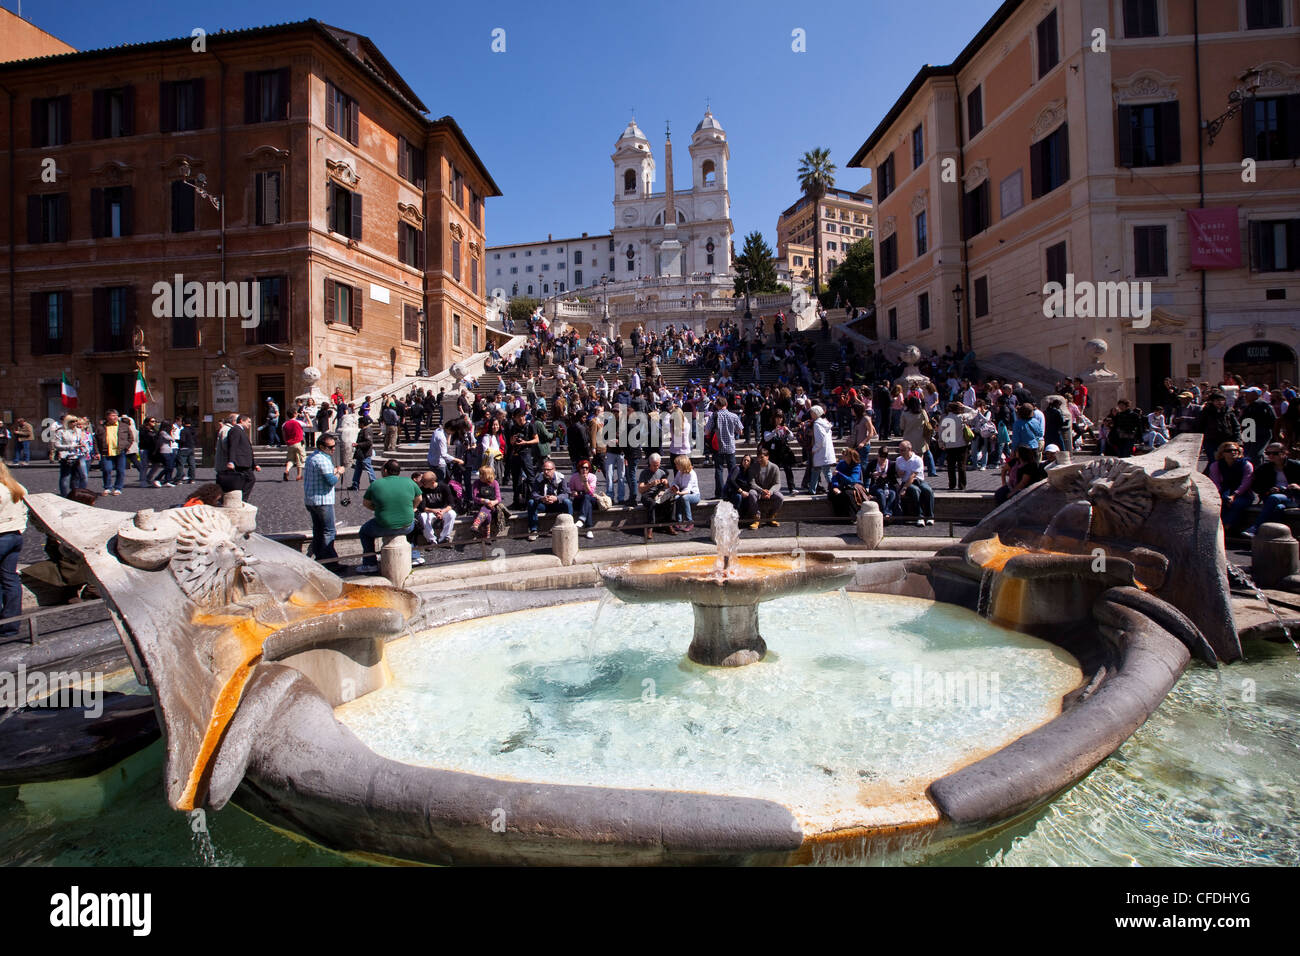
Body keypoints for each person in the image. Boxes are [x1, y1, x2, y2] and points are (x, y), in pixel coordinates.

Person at [356, 459, 423, 573]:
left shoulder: (376, 484)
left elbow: (366, 503)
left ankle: (370, 563)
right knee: (410, 525)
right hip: (407, 525)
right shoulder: (409, 482)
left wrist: (379, 508)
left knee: (364, 532)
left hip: (384, 526)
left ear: (385, 471)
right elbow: (419, 498)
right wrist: (411, 508)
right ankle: (415, 555)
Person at [303, 434, 345, 566]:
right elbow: (331, 481)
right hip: (322, 501)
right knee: (329, 531)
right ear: (321, 447)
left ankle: (320, 558)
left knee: (318, 530)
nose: (333, 449)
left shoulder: (311, 457)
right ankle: (330, 562)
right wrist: (339, 472)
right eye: (330, 447)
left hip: (311, 499)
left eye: (334, 446)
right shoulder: (322, 460)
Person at [1243, 443, 1300, 537]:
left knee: (1274, 498)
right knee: (1278, 508)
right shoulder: (1265, 468)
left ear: (1284, 453)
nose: (1271, 456)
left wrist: (1298, 487)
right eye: (1268, 453)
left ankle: (1255, 527)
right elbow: (1256, 485)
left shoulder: (1296, 465)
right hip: (1272, 497)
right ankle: (1276, 535)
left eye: (1275, 453)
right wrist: (1268, 489)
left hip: (1294, 497)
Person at [0, 461, 27, 640]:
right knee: (9, 579)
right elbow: (25, 511)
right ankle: (10, 625)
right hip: (15, 536)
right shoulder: (16, 486)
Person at [1207, 442, 1255, 534]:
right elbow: (1215, 482)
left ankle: (1225, 527)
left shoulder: (1246, 464)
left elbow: (1246, 482)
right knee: (1222, 503)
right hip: (1224, 491)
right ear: (1222, 453)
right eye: (1229, 450)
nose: (1233, 452)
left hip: (1243, 493)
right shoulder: (1215, 465)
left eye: (1235, 450)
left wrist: (1234, 495)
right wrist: (1222, 495)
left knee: (1237, 504)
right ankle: (1223, 527)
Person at [526, 458, 572, 542]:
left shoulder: (561, 478)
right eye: (544, 470)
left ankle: (569, 528)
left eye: (548, 470)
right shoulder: (539, 478)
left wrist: (556, 498)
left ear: (554, 469)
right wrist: (542, 498)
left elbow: (567, 493)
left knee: (567, 502)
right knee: (531, 502)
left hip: (557, 504)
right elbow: (533, 493)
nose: (546, 472)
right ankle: (533, 530)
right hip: (544, 504)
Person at [707, 397, 743, 498]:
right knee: (732, 470)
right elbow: (740, 431)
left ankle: (720, 493)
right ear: (726, 404)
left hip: (718, 446)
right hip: (730, 447)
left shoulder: (714, 416)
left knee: (719, 470)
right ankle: (733, 491)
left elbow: (707, 431)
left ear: (717, 405)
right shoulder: (734, 416)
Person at [218, 414, 259, 500]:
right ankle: (242, 499)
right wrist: (231, 461)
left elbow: (248, 449)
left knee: (245, 480)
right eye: (248, 422)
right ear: (242, 421)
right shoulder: (235, 430)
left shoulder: (240, 430)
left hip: (244, 461)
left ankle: (240, 498)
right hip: (240, 461)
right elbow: (233, 446)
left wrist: (254, 464)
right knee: (250, 479)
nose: (250, 424)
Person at [93, 410, 134, 496]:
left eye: (116, 415)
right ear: (107, 417)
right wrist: (97, 452)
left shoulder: (124, 426)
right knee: (107, 470)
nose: (115, 417)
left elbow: (130, 438)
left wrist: (126, 447)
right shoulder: (100, 427)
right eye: (112, 415)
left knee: (120, 470)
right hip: (106, 452)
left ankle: (118, 488)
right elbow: (95, 440)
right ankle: (107, 487)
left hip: (120, 451)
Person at [895, 440, 934, 526]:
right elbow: (898, 472)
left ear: (909, 449)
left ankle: (930, 516)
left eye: (903, 450)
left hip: (917, 480)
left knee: (928, 490)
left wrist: (904, 488)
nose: (900, 452)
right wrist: (899, 473)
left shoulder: (917, 460)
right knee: (915, 491)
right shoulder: (899, 460)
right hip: (906, 482)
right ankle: (920, 517)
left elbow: (913, 476)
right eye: (899, 450)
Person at [415, 470, 458, 547]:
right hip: (429, 511)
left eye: (424, 481)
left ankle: (444, 538)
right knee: (423, 516)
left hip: (443, 510)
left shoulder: (444, 487)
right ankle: (431, 540)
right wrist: (433, 510)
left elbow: (451, 504)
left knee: (452, 514)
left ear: (432, 482)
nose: (422, 483)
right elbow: (422, 507)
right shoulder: (422, 489)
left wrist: (442, 511)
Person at [638, 452, 672, 540]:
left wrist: (666, 484)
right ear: (650, 463)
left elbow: (667, 488)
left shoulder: (662, 472)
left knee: (669, 500)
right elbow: (640, 489)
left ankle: (668, 524)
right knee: (651, 503)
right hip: (647, 495)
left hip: (658, 494)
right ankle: (650, 527)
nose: (656, 467)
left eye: (657, 465)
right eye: (654, 465)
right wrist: (650, 484)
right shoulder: (644, 473)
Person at [469, 464, 504, 542]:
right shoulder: (476, 483)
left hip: (493, 505)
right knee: (487, 514)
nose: (480, 476)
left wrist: (493, 502)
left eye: (482, 474)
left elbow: (499, 498)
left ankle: (476, 525)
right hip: (479, 504)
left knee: (486, 508)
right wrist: (484, 501)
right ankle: (486, 536)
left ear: (487, 475)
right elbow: (474, 497)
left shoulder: (495, 483)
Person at [53, 414, 85, 498]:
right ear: (67, 422)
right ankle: (64, 495)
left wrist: (81, 444)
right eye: (72, 421)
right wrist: (71, 447)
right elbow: (57, 445)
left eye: (76, 421)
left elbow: (79, 441)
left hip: (77, 455)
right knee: (65, 476)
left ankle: (74, 494)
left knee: (77, 476)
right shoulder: (61, 431)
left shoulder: (78, 430)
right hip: (66, 456)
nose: (75, 423)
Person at [667, 455, 701, 533]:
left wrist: (679, 492)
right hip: (683, 493)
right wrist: (674, 487)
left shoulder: (691, 474)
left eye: (677, 464)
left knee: (684, 497)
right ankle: (678, 521)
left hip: (694, 495)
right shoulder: (679, 472)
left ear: (682, 465)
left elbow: (688, 490)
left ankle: (690, 521)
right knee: (677, 498)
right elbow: (675, 482)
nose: (675, 466)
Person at [807, 405, 836, 494]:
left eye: (812, 412)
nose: (811, 414)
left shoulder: (817, 424)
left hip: (820, 451)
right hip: (826, 450)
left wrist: (814, 449)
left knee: (822, 471)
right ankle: (813, 489)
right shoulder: (825, 422)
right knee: (822, 471)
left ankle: (831, 488)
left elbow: (820, 439)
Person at [566, 459, 598, 539]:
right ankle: (589, 529)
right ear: (579, 468)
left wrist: (585, 482)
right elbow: (569, 489)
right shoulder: (574, 477)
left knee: (587, 497)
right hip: (578, 499)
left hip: (590, 497)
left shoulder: (592, 477)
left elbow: (590, 492)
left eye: (586, 468)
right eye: (582, 467)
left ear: (589, 469)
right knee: (588, 506)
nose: (584, 469)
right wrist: (573, 492)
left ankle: (582, 519)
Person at [868, 446, 898, 518]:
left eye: (884, 458)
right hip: (876, 485)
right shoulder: (873, 463)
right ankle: (885, 513)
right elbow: (866, 474)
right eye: (881, 457)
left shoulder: (891, 464)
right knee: (881, 493)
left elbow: (893, 478)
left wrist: (897, 485)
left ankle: (887, 512)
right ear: (878, 455)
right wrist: (872, 475)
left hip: (887, 485)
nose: (882, 459)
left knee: (893, 493)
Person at [282, 415, 306, 481]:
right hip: (298, 442)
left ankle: (287, 470)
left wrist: (286, 442)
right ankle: (299, 475)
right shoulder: (299, 422)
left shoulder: (284, 424)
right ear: (295, 414)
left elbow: (284, 434)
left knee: (290, 459)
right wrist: (307, 416)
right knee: (299, 459)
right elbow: (310, 425)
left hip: (290, 444)